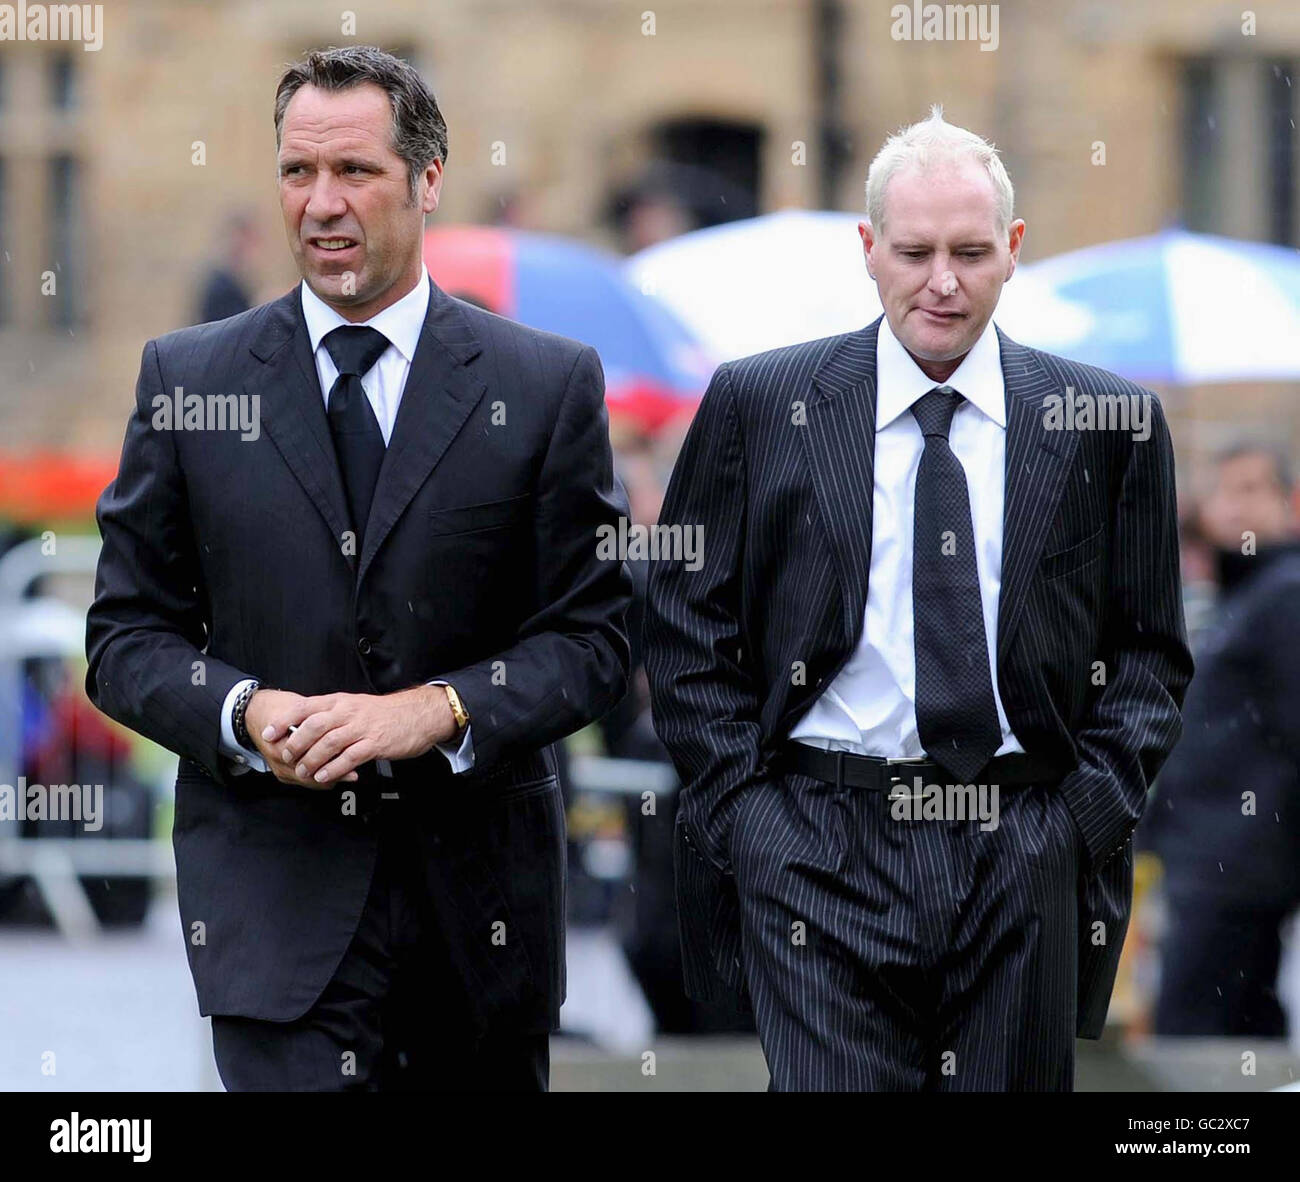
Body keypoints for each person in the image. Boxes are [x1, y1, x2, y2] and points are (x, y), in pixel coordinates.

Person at [85, 45, 631, 1092]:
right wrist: (243, 712)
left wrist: (439, 710)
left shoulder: (544, 385)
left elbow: (594, 640)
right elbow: (123, 641)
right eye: (298, 172)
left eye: (354, 171)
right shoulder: (188, 380)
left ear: (428, 181)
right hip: (275, 924)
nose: (321, 203)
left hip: (480, 932)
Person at [644, 106, 1193, 1091]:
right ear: (869, 249)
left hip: (1023, 840)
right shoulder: (760, 404)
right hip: (815, 841)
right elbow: (687, 625)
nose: (943, 281)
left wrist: (1078, 821)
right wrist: (747, 818)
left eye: (971, 253)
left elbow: (1149, 652)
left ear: (1013, 248)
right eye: (915, 252)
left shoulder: (1106, 422)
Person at [1147, 439, 1300, 1037]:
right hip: (1215, 866)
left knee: (1194, 1042)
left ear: (1289, 502)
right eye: (1220, 491)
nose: (1233, 506)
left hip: (1239, 873)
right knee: (1244, 1036)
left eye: (1251, 489)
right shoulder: (1243, 594)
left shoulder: (1285, 593)